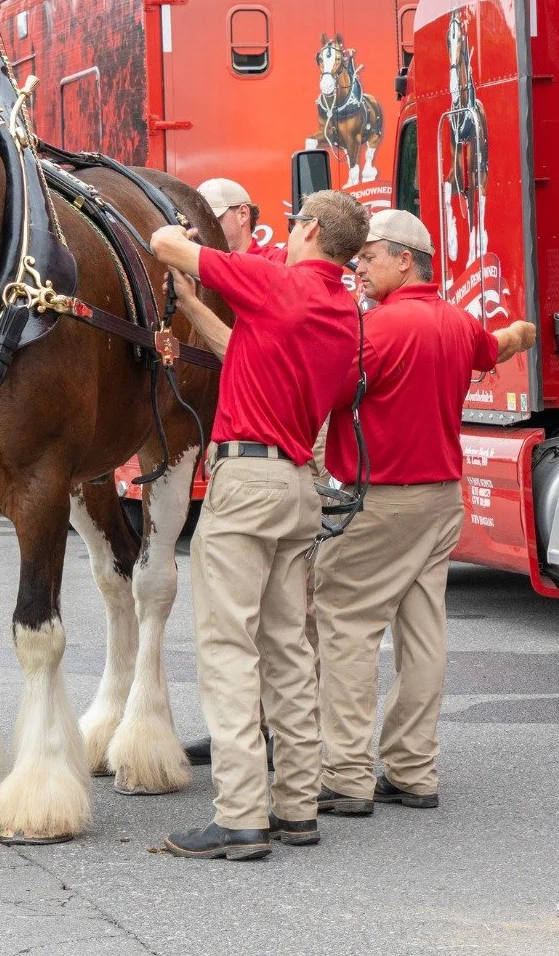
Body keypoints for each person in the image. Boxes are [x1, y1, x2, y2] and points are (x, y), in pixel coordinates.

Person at [152, 189, 370, 860]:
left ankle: (241, 813)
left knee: (227, 649)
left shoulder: (277, 282)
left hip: (246, 483)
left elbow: (164, 243)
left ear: (307, 230)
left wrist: (180, 229)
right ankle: (296, 807)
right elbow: (250, 347)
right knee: (287, 652)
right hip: (298, 484)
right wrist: (191, 307)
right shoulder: (340, 310)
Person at [313, 209, 536, 816]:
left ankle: (346, 774)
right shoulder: (457, 323)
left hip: (383, 497)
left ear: (404, 260)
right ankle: (412, 769)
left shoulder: (376, 331)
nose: (358, 265)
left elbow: (322, 392)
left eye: (369, 256)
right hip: (441, 497)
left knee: (346, 623)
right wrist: (521, 332)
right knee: (423, 631)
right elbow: (494, 346)